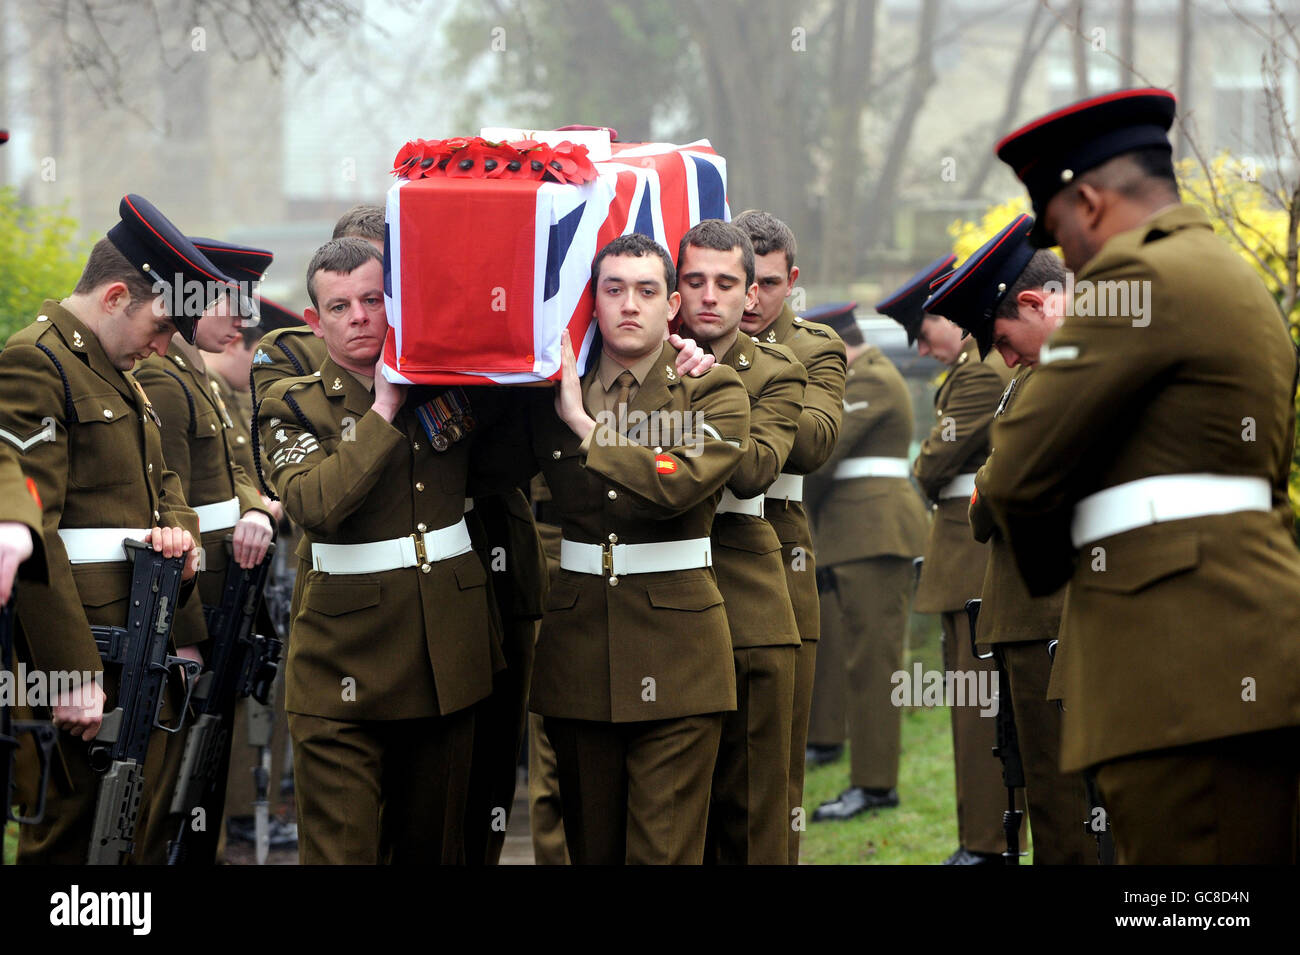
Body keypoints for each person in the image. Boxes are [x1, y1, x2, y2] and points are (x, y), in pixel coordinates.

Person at [984, 87, 1300, 863]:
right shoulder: (1222, 268)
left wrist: (1063, 554)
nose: (1070, 260)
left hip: (1179, 666)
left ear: (1088, 203)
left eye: (1060, 231)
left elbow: (1016, 471)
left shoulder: (1139, 276)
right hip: (1239, 646)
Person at [476, 232, 749, 864]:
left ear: (673, 305)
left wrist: (582, 424)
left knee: (664, 852)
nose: (630, 304)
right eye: (614, 289)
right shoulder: (548, 395)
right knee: (589, 848)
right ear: (591, 303)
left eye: (647, 291)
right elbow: (477, 468)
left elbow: (674, 481)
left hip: (679, 653)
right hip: (579, 651)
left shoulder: (711, 390)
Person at [256, 237, 504, 863]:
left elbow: (529, 444)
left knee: (433, 847)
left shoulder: (450, 384)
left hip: (442, 650)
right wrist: (386, 407)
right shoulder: (291, 404)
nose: (360, 316)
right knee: (342, 851)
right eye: (339, 307)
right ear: (315, 322)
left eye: (373, 298)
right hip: (342, 657)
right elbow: (314, 504)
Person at [0, 195, 223, 863]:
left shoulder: (122, 375)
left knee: (126, 840)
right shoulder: (36, 361)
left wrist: (181, 539)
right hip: (79, 660)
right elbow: (32, 524)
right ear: (118, 294)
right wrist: (68, 673)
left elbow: (167, 491)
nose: (164, 345)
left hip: (136, 648)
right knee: (68, 846)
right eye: (160, 325)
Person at [923, 216, 1098, 864]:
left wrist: (992, 485)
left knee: (1071, 813)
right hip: (1028, 613)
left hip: (1055, 613)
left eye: (1004, 340)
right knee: (1047, 802)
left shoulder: (1070, 367)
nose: (1006, 358)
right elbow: (987, 498)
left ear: (1031, 303)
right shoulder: (1034, 376)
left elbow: (998, 489)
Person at [133, 238, 277, 863]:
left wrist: (249, 506)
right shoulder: (165, 380)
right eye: (232, 304)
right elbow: (167, 510)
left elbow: (238, 467)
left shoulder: (198, 378)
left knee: (203, 767)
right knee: (173, 783)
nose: (244, 322)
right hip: (194, 600)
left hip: (224, 594)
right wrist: (185, 625)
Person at [675, 220, 806, 864]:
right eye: (694, 280)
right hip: (661, 601)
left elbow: (756, 468)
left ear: (750, 293)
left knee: (754, 810)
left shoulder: (778, 372)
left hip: (744, 591)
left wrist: (701, 392)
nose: (709, 296)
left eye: (726, 283)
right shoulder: (634, 365)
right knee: (671, 817)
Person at [877, 255, 1015, 865]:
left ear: (948, 316)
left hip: (972, 559)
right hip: (961, 555)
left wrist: (925, 465)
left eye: (923, 331)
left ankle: (986, 844)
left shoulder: (981, 372)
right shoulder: (972, 367)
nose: (923, 348)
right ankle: (979, 841)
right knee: (970, 712)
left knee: (981, 715)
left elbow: (934, 462)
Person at [732, 210, 845, 863]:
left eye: (766, 283)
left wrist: (732, 380)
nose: (750, 299)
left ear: (790, 281)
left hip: (779, 552)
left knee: (771, 776)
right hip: (694, 558)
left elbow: (813, 441)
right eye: (738, 280)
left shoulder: (813, 346)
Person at [802, 302, 928, 823]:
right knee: (853, 657)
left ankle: (875, 786)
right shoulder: (865, 375)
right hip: (855, 539)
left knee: (874, 666)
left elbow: (821, 458)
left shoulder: (868, 378)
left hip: (874, 539)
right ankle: (854, 764)